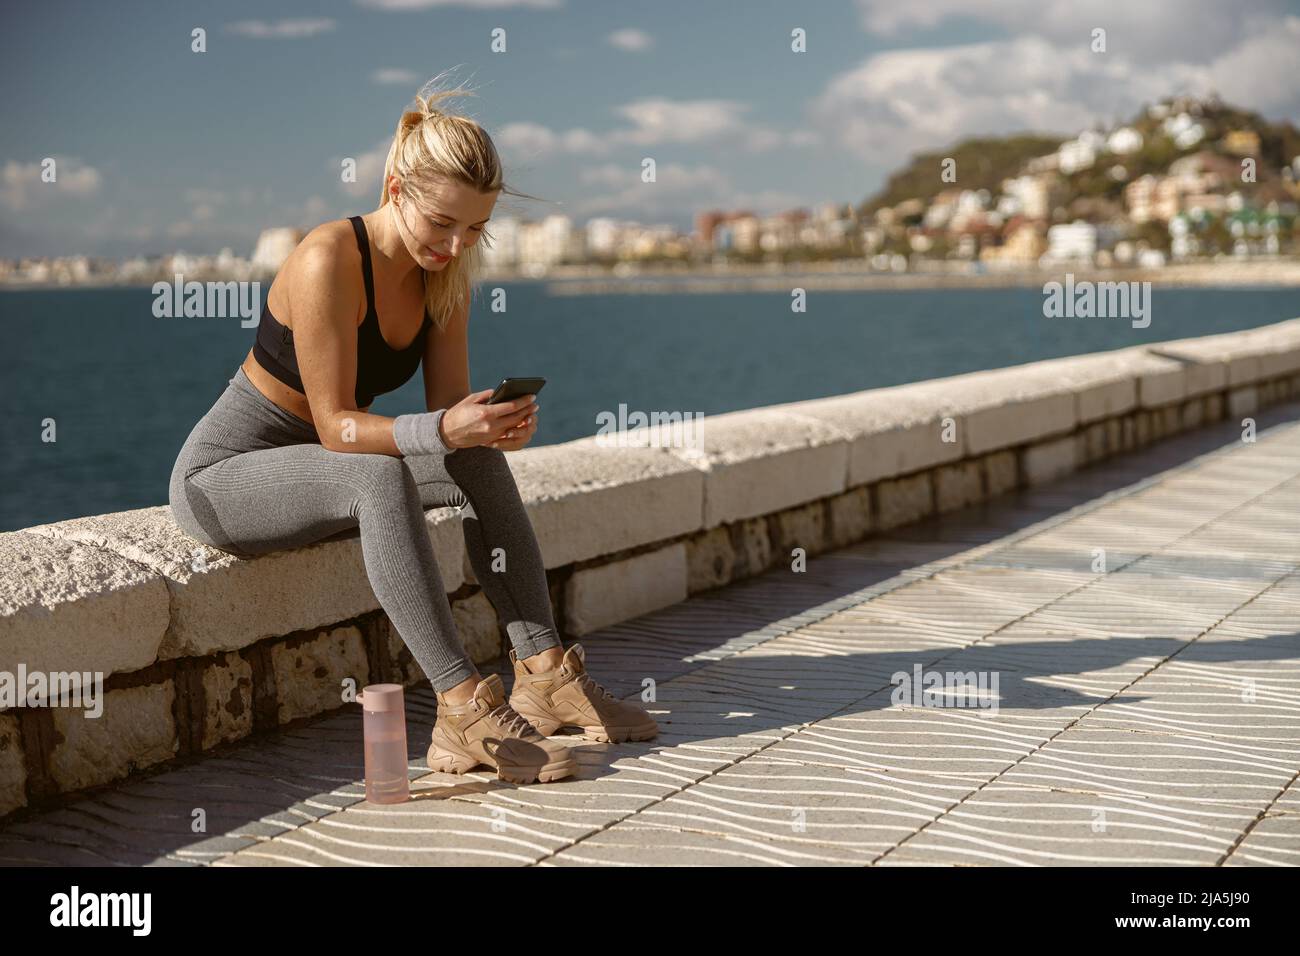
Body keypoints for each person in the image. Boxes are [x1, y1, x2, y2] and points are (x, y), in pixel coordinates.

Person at [168, 79, 657, 786]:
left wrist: (486, 427)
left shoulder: (445, 273)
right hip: (229, 478)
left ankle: (544, 675)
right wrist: (444, 427)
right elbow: (338, 427)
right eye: (442, 223)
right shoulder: (327, 257)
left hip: (322, 467)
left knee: (477, 465)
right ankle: (461, 708)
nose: (456, 244)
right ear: (396, 188)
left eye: (476, 229)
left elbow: (444, 420)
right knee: (377, 470)